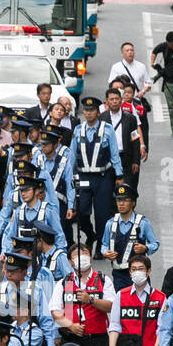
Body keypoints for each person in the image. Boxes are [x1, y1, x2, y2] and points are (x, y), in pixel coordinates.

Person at [70, 96, 124, 251]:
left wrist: (119, 176)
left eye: (91, 110)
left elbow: (114, 154)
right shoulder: (78, 130)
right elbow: (72, 156)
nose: (88, 113)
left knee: (102, 214)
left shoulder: (107, 129)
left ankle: (100, 243)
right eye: (86, 111)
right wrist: (69, 175)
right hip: (84, 177)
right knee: (81, 212)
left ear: (97, 112)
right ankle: (90, 233)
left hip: (102, 177)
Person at [99, 184, 158, 290]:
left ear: (133, 203)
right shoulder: (110, 223)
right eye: (119, 200)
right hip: (119, 274)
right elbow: (104, 244)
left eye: (125, 200)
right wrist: (105, 252)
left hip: (139, 273)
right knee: (122, 303)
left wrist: (145, 248)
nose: (121, 204)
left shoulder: (143, 223)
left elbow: (154, 243)